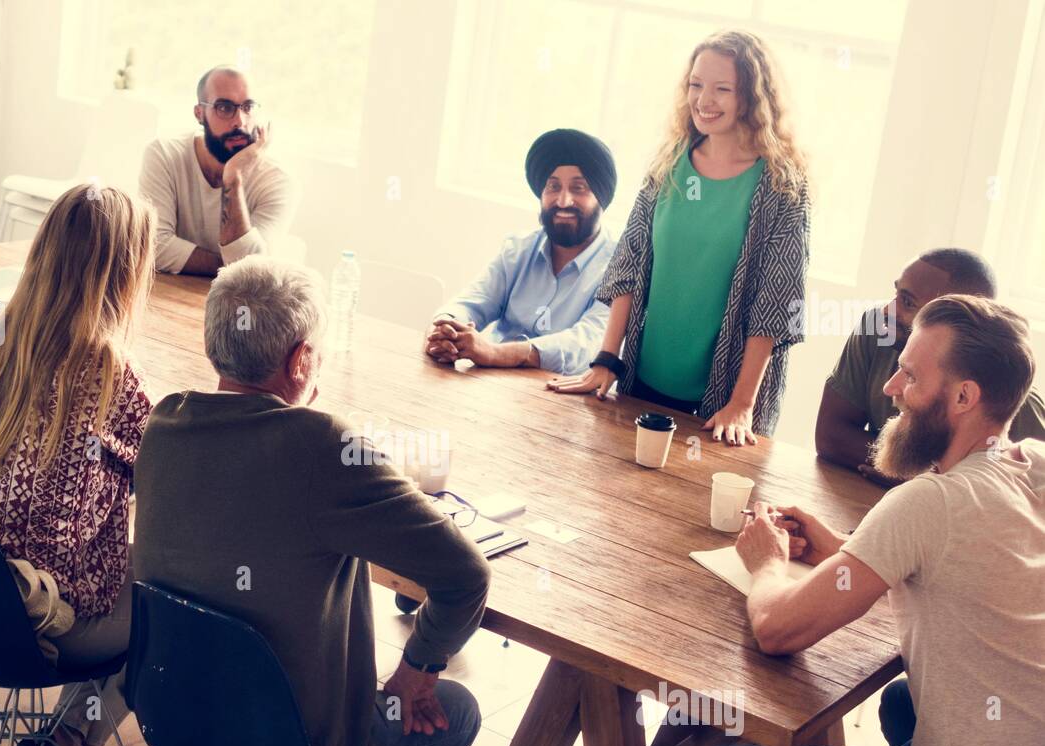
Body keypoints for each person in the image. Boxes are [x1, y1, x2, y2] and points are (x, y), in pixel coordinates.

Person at [133, 256, 491, 746]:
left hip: (172, 724)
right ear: (302, 361)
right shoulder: (321, 446)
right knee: (458, 713)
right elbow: (467, 575)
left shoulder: (164, 421)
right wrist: (420, 667)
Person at [692, 295, 1045, 746]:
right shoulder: (1030, 466)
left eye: (911, 374)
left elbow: (777, 630)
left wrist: (769, 562)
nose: (890, 387)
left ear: (964, 397)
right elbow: (968, 571)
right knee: (902, 703)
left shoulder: (929, 503)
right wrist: (846, 550)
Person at [0, 184, 155, 746]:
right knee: (172, 600)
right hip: (40, 617)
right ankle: (73, 738)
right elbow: (159, 481)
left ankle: (66, 739)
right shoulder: (108, 373)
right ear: (124, 273)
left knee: (134, 567)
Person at [547, 30, 809, 445]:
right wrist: (606, 362)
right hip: (644, 379)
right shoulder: (668, 164)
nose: (704, 100)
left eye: (722, 89)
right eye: (696, 85)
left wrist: (742, 404)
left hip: (722, 401)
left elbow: (776, 303)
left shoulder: (782, 187)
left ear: (753, 96)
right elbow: (629, 268)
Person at [816, 248, 1045, 485]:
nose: (887, 311)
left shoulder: (1017, 401)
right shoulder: (876, 329)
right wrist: (909, 475)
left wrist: (920, 481)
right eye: (896, 294)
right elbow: (830, 436)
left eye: (907, 302)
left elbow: (1029, 496)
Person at [425, 128, 616, 374]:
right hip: (493, 388)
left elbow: (586, 344)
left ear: (602, 196)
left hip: (564, 400)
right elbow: (471, 302)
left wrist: (495, 352)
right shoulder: (518, 250)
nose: (563, 200)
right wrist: (445, 330)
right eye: (553, 186)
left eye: (579, 188)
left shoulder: (618, 267)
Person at [137, 65, 297, 276]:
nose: (240, 121)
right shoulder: (164, 154)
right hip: (171, 296)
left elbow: (252, 274)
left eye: (248, 107)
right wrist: (229, 267)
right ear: (199, 114)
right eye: (224, 108)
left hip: (240, 306)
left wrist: (233, 177)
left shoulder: (278, 181)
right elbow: (155, 246)